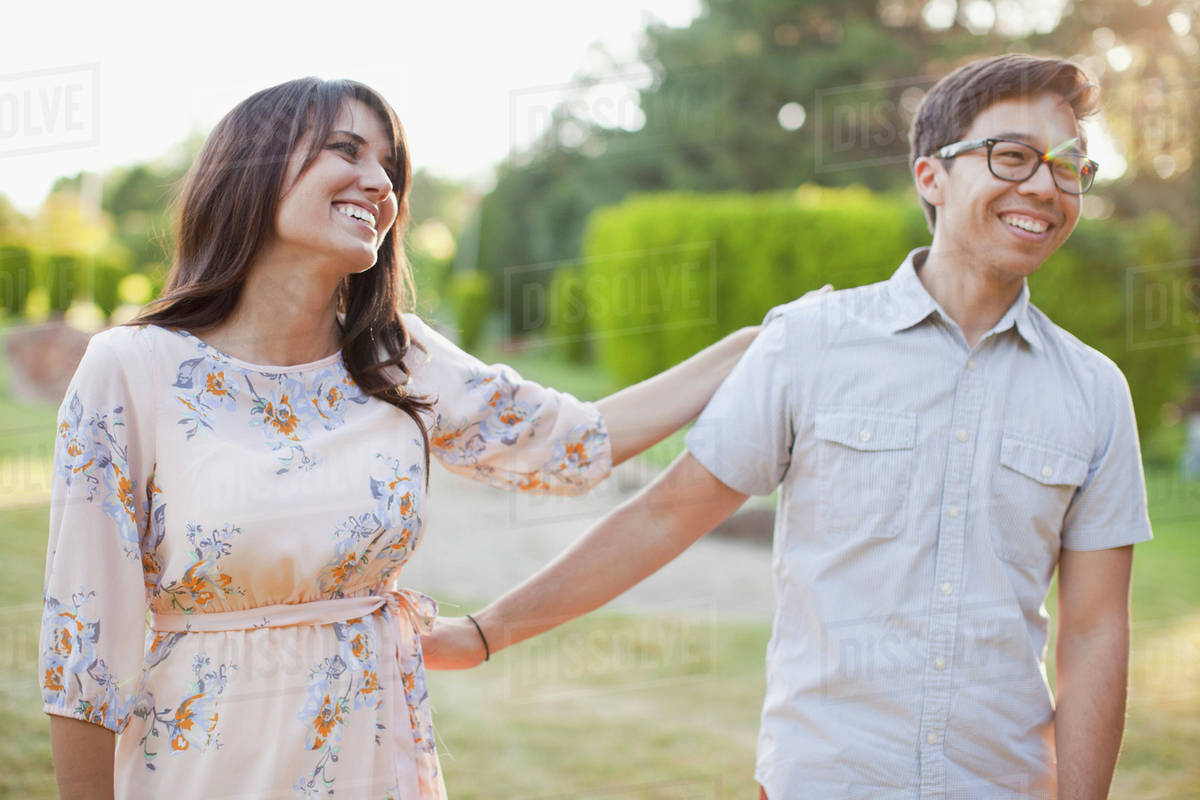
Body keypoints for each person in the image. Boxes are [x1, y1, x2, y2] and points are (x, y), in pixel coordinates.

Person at [38, 77, 825, 799]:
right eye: (346, 150)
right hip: (205, 767)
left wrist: (763, 340)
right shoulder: (132, 369)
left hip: (377, 765)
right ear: (252, 166)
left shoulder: (392, 354)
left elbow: (573, 443)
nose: (380, 185)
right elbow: (84, 648)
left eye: (392, 169)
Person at [423, 53, 1153, 799]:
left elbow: (1095, 633)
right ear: (930, 176)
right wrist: (486, 633)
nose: (1043, 184)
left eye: (1068, 167)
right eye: (1013, 156)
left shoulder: (1095, 391)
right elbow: (664, 517)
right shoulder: (810, 342)